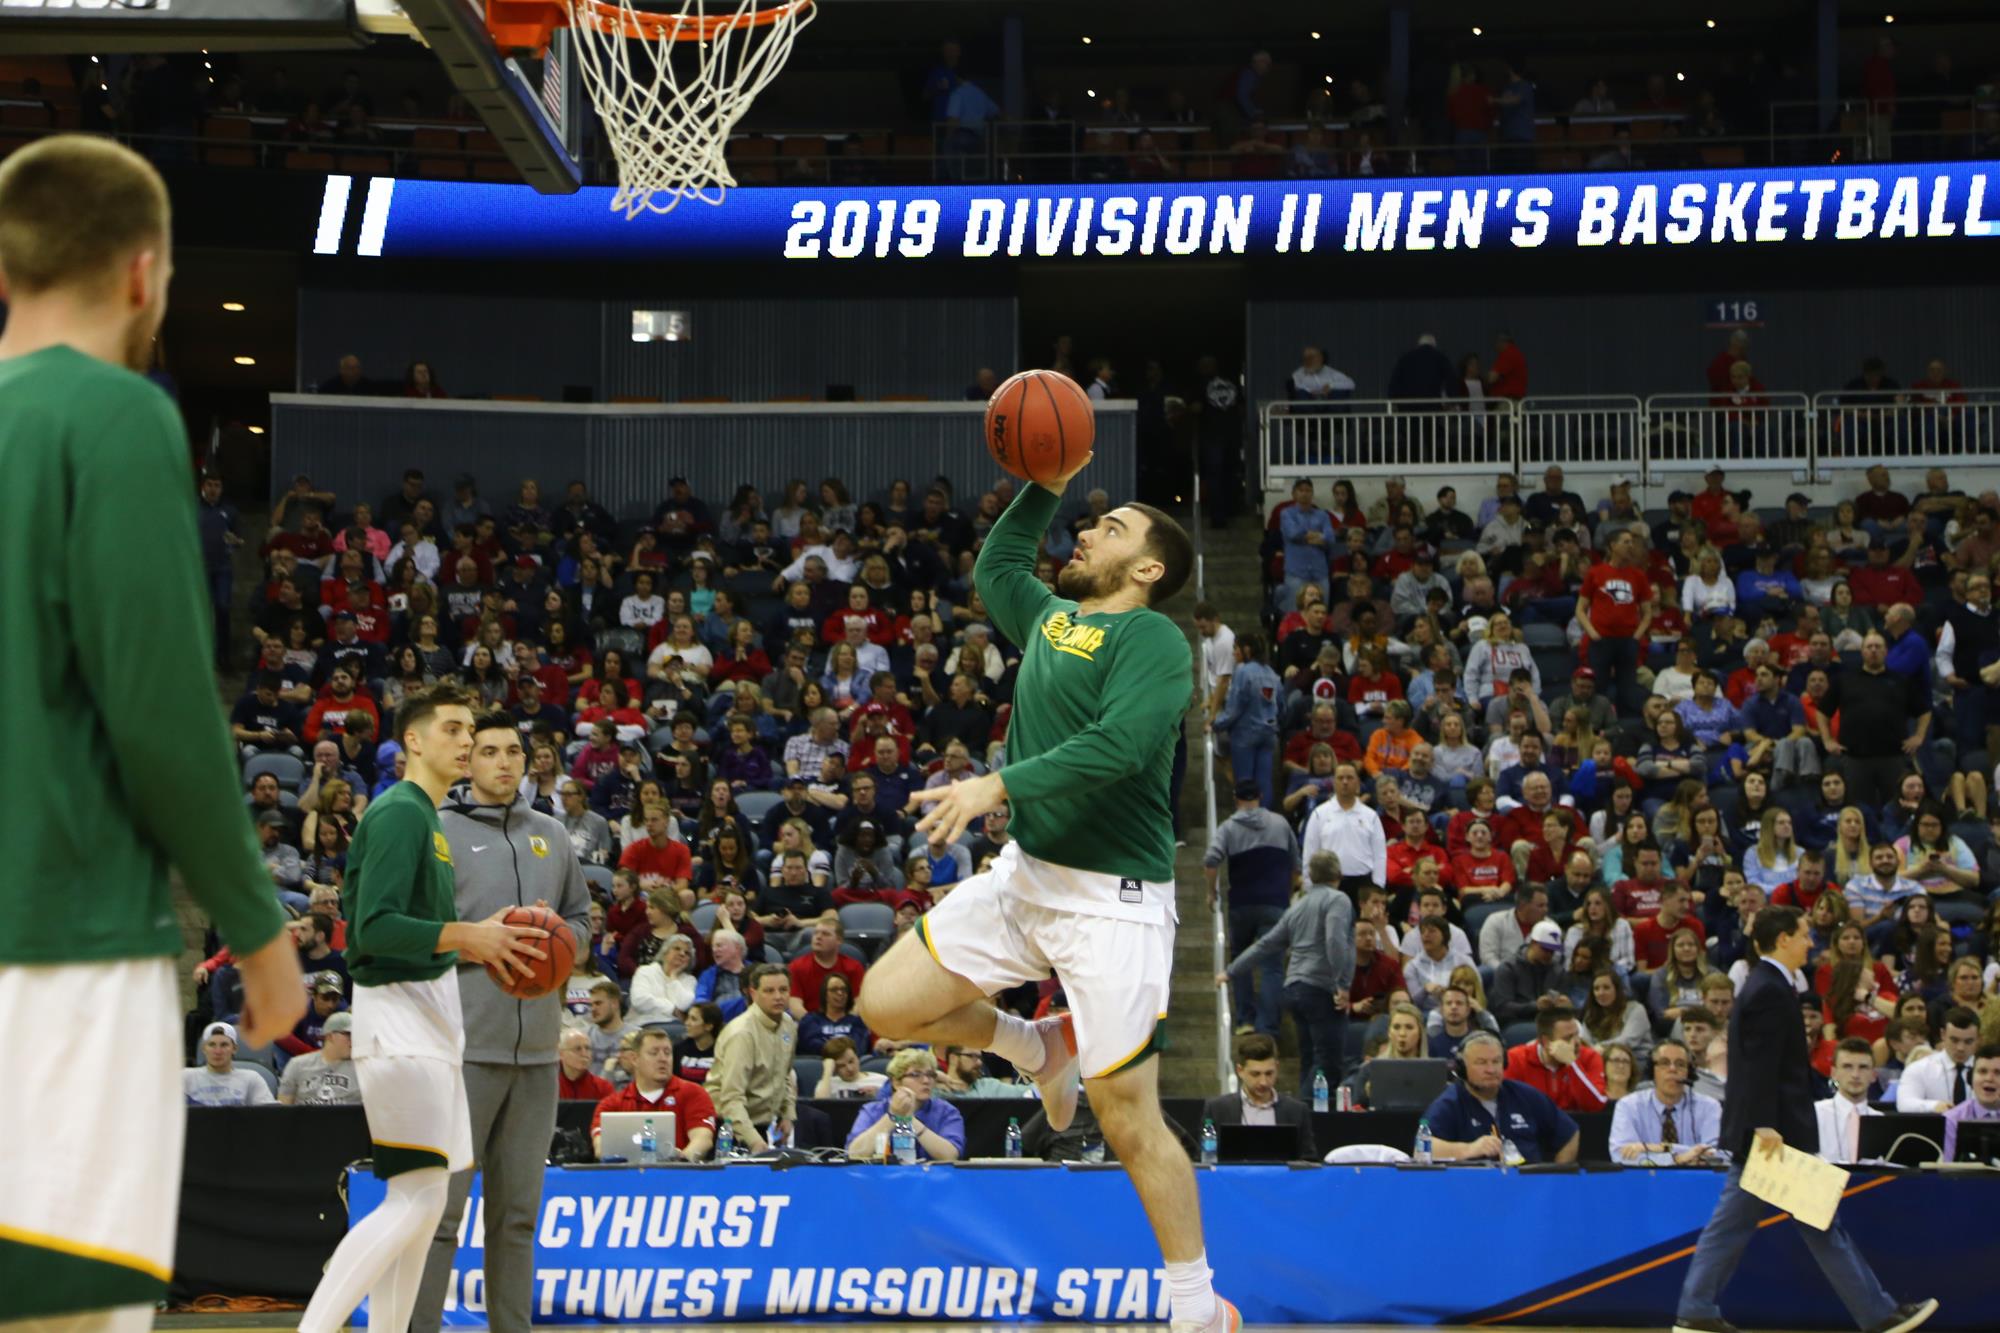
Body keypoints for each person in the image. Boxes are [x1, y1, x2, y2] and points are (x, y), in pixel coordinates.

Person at [0, 135, 309, 1329]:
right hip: (58, 942)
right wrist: (257, 927)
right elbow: (162, 710)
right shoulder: (116, 417)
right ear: (145, 276)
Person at [855, 459, 1237, 1333]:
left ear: (1147, 568)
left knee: (1127, 1114)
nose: (1092, 529)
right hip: (1028, 876)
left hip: (1114, 900)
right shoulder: (1054, 615)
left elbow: (1119, 747)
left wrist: (997, 785)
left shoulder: (1154, 643)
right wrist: (1048, 477)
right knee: (886, 1003)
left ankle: (1197, 1307)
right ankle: (1034, 1044)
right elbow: (998, 568)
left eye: (1116, 527)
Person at [293, 684, 546, 1333]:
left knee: (425, 1200)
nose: (467, 741)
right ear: (413, 739)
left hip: (430, 1021)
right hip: (400, 1026)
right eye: (455, 729)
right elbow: (371, 930)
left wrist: (477, 934)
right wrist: (468, 935)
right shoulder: (400, 812)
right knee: (410, 1204)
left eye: (471, 731)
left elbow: (419, 933)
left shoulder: (424, 818)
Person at [1672, 905, 1936, 1333]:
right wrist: (1762, 1123)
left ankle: (1697, 1311)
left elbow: (1777, 1065)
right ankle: (1878, 1315)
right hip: (1770, 1137)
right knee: (1806, 1225)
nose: (1811, 942)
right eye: (1804, 934)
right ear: (1782, 940)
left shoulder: (1769, 985)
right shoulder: (1769, 989)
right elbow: (1758, 1065)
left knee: (1798, 1225)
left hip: (1768, 1133)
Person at [412, 712, 591, 1333]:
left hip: (539, 1054)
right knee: (441, 1217)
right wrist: (482, 941)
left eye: (514, 751)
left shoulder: (554, 835)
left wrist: (559, 939)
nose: (505, 763)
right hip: (463, 1048)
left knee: (517, 1218)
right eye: (489, 751)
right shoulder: (437, 832)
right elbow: (411, 935)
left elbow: (583, 922)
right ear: (468, 761)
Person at [1219, 851, 1354, 1091]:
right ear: (1339, 874)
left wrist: (1231, 971)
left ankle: (1300, 1117)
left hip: (1294, 989)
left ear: (1310, 876)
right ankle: (1312, 1115)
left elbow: (1266, 943)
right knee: (1329, 1063)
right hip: (1321, 988)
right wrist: (1342, 984)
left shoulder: (1298, 907)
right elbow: (1335, 940)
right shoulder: (1338, 900)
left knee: (1309, 1058)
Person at [1205, 778, 1302, 1036]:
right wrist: (1289, 890)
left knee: (1241, 960)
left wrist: (1211, 893)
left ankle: (1245, 1021)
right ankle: (1268, 1026)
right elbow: (1297, 865)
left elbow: (1211, 860)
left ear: (1236, 798)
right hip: (1275, 904)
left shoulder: (1228, 828)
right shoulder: (1280, 824)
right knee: (1272, 966)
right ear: (1260, 795)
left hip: (1241, 904)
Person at [1423, 1031, 1580, 1163]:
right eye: (1481, 1062)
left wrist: (1554, 1180)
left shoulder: (1525, 1095)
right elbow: (1423, 1148)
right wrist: (1469, 1149)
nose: (1491, 1069)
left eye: (1496, 1061)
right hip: (1476, 1189)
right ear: (1462, 1068)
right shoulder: (1450, 1103)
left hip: (1528, 1189)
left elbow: (1570, 1133)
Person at [708, 964, 798, 1153]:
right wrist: (753, 1141)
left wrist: (787, 1114)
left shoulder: (788, 1025)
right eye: (769, 991)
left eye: (783, 990)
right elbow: (731, 1098)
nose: (778, 996)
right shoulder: (742, 1034)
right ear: (753, 993)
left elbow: (785, 1075)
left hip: (761, 1126)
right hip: (727, 1128)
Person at [589, 1028, 717, 1162]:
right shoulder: (611, 1104)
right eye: (654, 1053)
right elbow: (601, 1148)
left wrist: (683, 1158)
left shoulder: (693, 1093)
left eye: (667, 1053)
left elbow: (702, 1139)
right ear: (635, 1059)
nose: (663, 1059)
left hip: (679, 1178)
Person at [1199, 1032, 1319, 1158]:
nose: (1263, 1082)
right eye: (1255, 1074)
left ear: (1277, 1067)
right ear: (1240, 1071)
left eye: (1269, 1073)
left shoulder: (1297, 1111)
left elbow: (1309, 1161)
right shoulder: (1217, 1109)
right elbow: (1204, 1160)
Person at [1609, 1038, 1723, 1165]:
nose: (1673, 1069)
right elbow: (1620, 1154)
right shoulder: (1628, 1106)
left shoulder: (1709, 1107)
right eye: (1664, 1063)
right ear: (1652, 1070)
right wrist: (1676, 1159)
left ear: (1689, 1072)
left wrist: (1660, 1148)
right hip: (1646, 1182)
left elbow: (1716, 1154)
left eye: (1680, 1064)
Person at [845, 1047, 968, 1161]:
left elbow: (951, 1155)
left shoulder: (946, 1111)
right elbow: (854, 1154)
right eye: (915, 1074)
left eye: (930, 1075)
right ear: (896, 1082)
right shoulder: (873, 1110)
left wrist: (909, 1119)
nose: (926, 1081)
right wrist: (892, 1115)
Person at [1505, 1006, 1609, 1113]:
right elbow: (1507, 1105)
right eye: (1567, 1038)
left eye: (1577, 1035)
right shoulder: (1516, 1059)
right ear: (1546, 1042)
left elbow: (1597, 1105)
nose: (1577, 1042)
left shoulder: (1590, 1057)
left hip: (1579, 1125)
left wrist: (1572, 1064)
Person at [1896, 1005, 1981, 1113]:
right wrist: (1934, 1106)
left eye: (1968, 1041)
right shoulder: (1919, 1069)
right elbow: (1904, 1103)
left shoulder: (1992, 1071)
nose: (1961, 1048)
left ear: (1978, 1039)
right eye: (1954, 1040)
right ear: (1943, 1034)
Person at [1815, 1038, 1881, 1164]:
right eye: (1847, 1067)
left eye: (1863, 1067)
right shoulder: (1814, 1114)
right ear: (1834, 1073)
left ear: (1873, 1075)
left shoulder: (1881, 1121)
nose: (1855, 1075)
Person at [184, 1021, 277, 1106]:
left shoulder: (251, 1079)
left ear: (234, 1049)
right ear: (204, 1049)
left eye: (224, 1045)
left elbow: (270, 1115)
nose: (218, 1051)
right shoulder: (184, 1078)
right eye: (212, 1045)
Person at [279, 1011, 361, 1105]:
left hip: (348, 1119)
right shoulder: (297, 1065)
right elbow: (284, 1108)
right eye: (349, 1035)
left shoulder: (361, 1068)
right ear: (331, 1036)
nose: (353, 1041)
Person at [1942, 1043, 2000, 1161]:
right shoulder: (1951, 1120)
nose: (1989, 1078)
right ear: (1970, 1078)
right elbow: (1946, 1169)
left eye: (1998, 1073)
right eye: (1982, 1071)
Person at [557, 1030, 615, 1103]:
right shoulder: (548, 1086)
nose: (584, 1054)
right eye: (578, 1049)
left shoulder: (603, 1087)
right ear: (561, 1054)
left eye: (587, 1048)